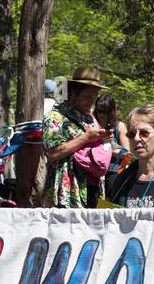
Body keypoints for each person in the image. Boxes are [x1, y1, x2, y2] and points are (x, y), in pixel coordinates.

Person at [41, 67, 108, 209]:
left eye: (94, 97)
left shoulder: (90, 118)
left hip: (92, 187)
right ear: (73, 93)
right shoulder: (55, 117)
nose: (91, 102)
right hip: (67, 190)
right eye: (87, 97)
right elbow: (51, 153)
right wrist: (84, 138)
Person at [74, 95, 117, 208]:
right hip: (88, 171)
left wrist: (111, 147)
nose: (101, 114)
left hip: (111, 172)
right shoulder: (91, 123)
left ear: (111, 111)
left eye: (105, 111)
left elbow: (127, 153)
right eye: (99, 111)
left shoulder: (118, 127)